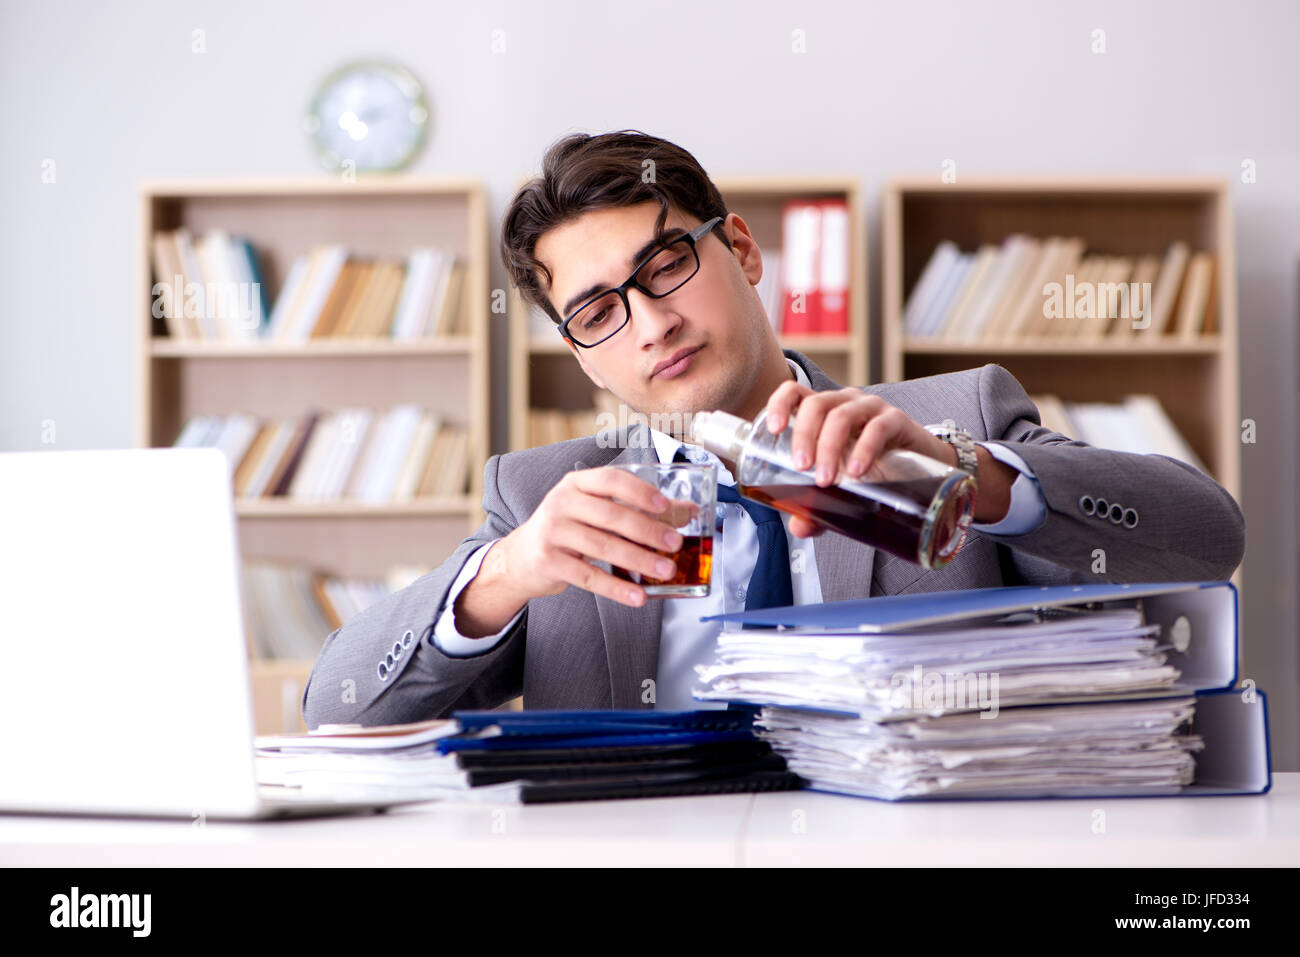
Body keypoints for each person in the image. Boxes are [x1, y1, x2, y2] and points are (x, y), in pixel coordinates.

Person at [302, 130, 1245, 727]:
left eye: (665, 264)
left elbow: (1206, 536)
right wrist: (504, 574)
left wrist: (970, 476)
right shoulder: (543, 499)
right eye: (597, 314)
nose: (650, 324)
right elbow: (336, 703)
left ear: (742, 250)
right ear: (580, 353)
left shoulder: (950, 420)